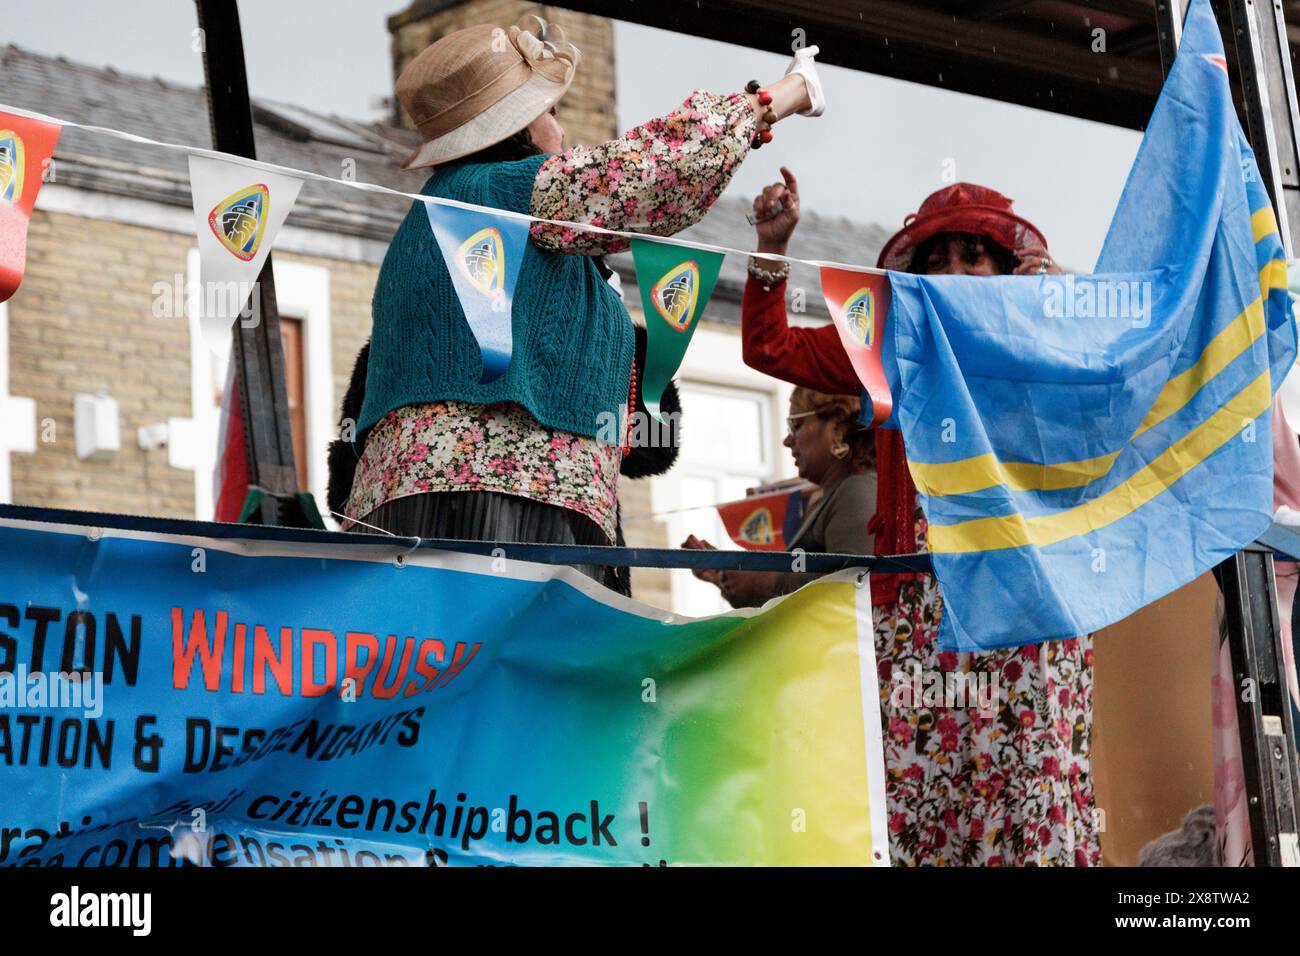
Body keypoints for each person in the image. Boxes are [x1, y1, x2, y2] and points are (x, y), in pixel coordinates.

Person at [341, 16, 825, 587]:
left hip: (438, 507)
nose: (562, 129)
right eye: (548, 112)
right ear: (517, 129)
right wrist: (778, 98)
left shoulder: (435, 220)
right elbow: (658, 172)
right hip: (503, 503)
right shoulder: (501, 190)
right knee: (525, 669)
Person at [740, 168, 1100, 867]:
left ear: (1007, 269)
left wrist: (1056, 311)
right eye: (938, 262)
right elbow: (771, 349)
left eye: (973, 257)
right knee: (918, 801)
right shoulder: (890, 342)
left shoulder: (1049, 341)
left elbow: (1112, 408)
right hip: (919, 610)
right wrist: (772, 247)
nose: (956, 273)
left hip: (1025, 605)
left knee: (1026, 787)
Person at [681, 388, 874, 607]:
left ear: (837, 427)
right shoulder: (829, 498)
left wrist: (764, 580)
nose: (787, 440)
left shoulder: (857, 488)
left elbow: (854, 583)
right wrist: (730, 575)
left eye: (796, 425)